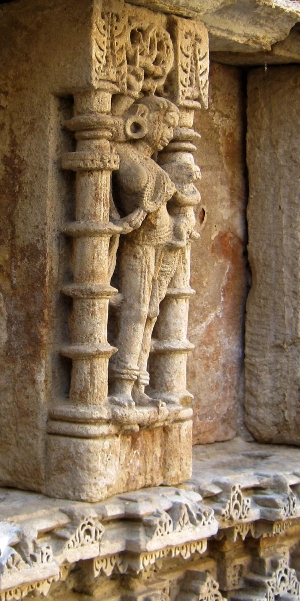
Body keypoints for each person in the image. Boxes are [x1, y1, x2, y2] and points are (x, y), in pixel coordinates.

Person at [107, 95, 181, 419]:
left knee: (151, 313)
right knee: (135, 311)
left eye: (173, 127)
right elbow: (132, 194)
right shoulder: (122, 154)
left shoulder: (148, 161)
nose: (169, 133)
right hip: (138, 245)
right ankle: (121, 387)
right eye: (165, 123)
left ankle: (139, 384)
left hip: (163, 243)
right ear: (141, 117)